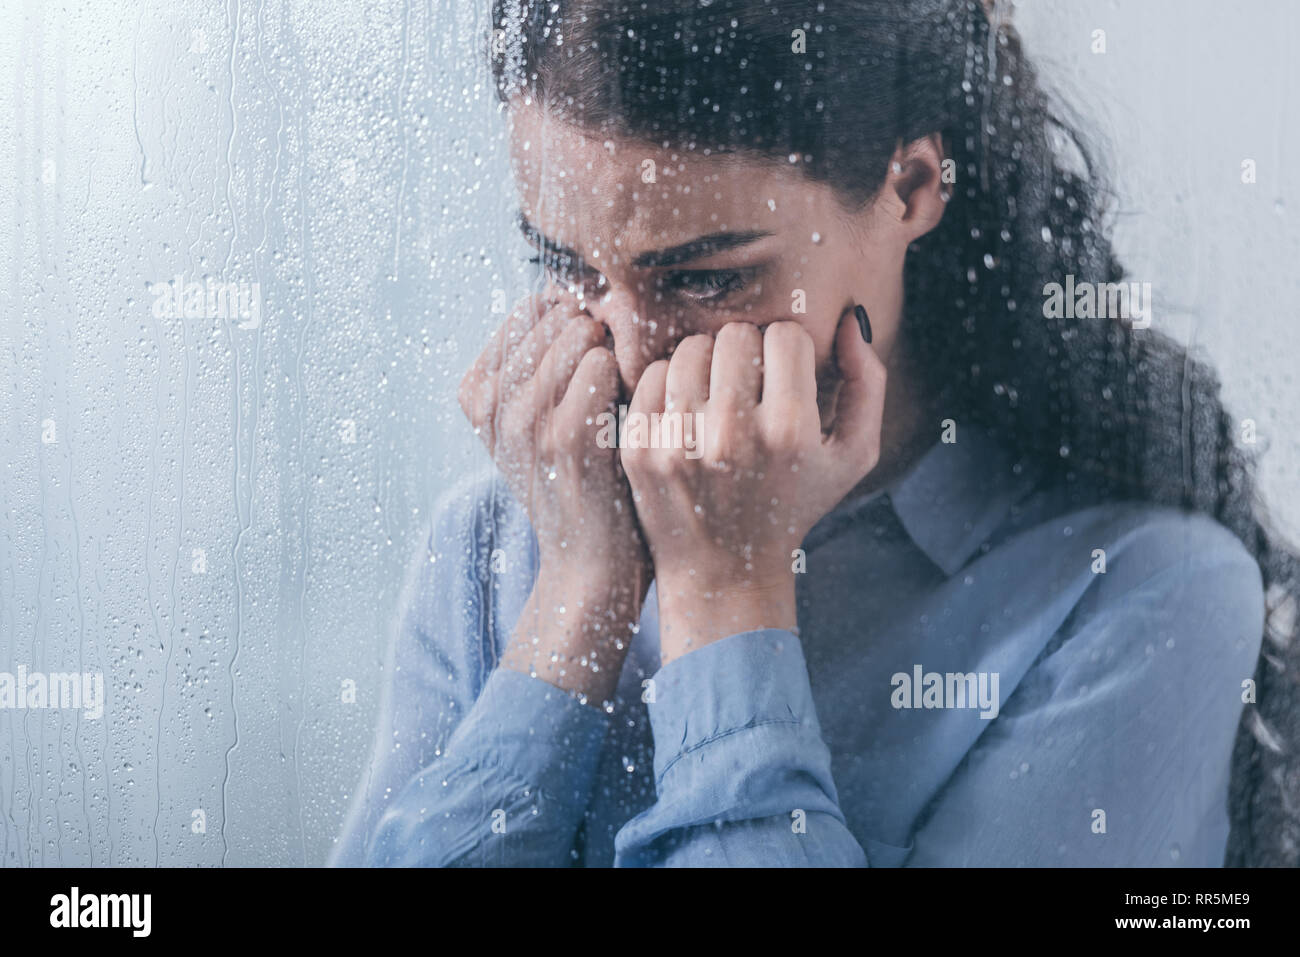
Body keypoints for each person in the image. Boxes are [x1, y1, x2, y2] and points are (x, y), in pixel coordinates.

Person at [329, 0, 1300, 867]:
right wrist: (575, 595)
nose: (622, 353)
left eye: (705, 279)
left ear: (912, 187)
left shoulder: (1143, 593)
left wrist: (726, 599)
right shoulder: (493, 547)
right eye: (563, 265)